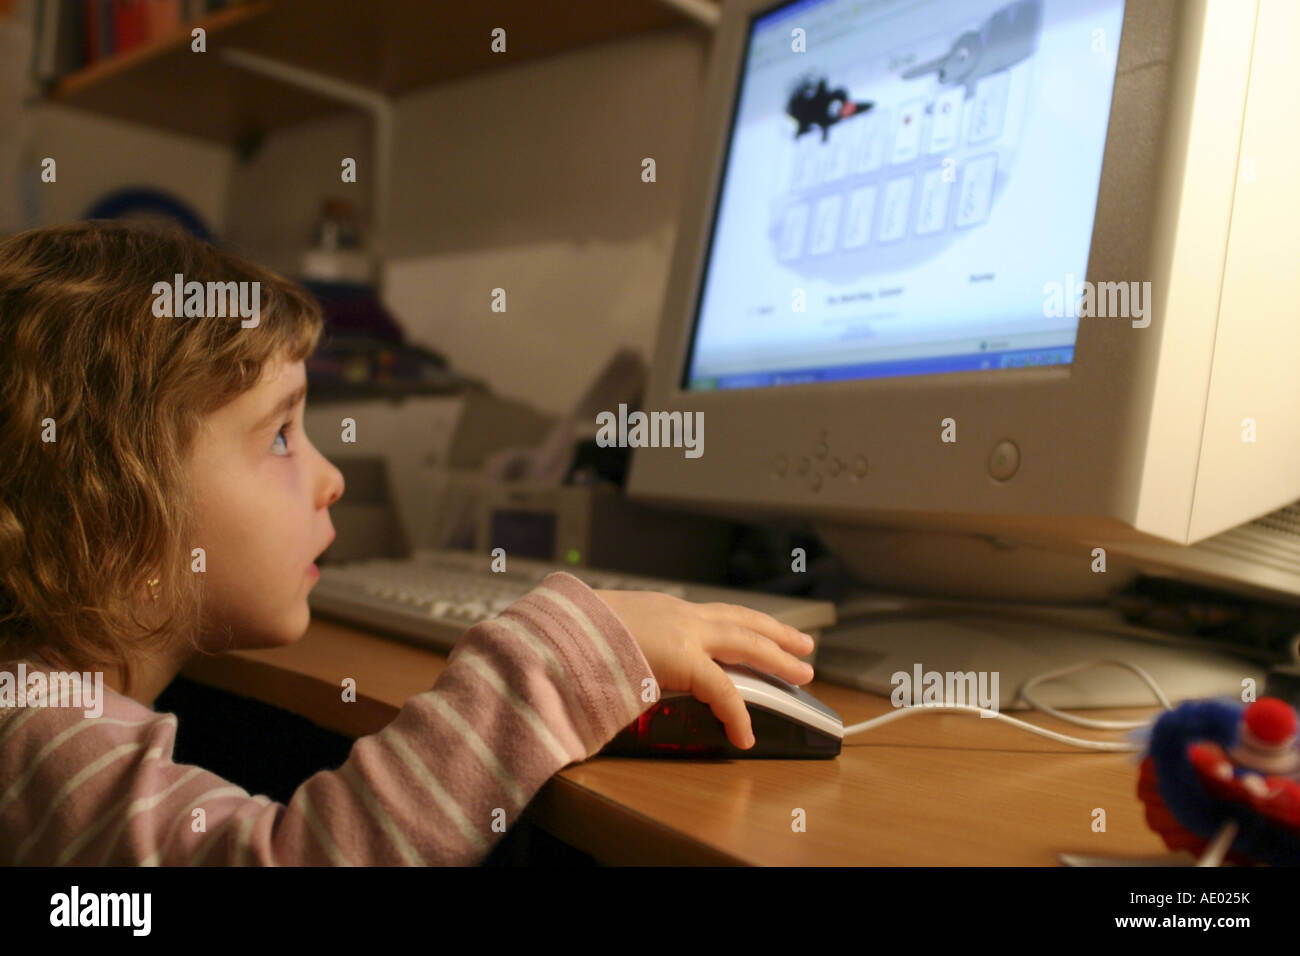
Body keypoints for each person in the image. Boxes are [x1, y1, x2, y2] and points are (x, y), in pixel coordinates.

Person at [0, 221, 816, 865]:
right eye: (281, 434)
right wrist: (552, 660)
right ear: (114, 510)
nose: (333, 479)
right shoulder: (40, 738)